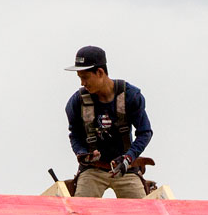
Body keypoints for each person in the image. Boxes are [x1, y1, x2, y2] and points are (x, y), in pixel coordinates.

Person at [63, 45, 153, 198]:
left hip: (125, 169)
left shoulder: (130, 96)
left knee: (142, 213)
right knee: (81, 211)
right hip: (93, 170)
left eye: (85, 77)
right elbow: (75, 135)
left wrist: (128, 157)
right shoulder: (77, 102)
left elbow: (145, 132)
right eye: (80, 78)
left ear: (99, 72)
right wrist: (82, 154)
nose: (82, 83)